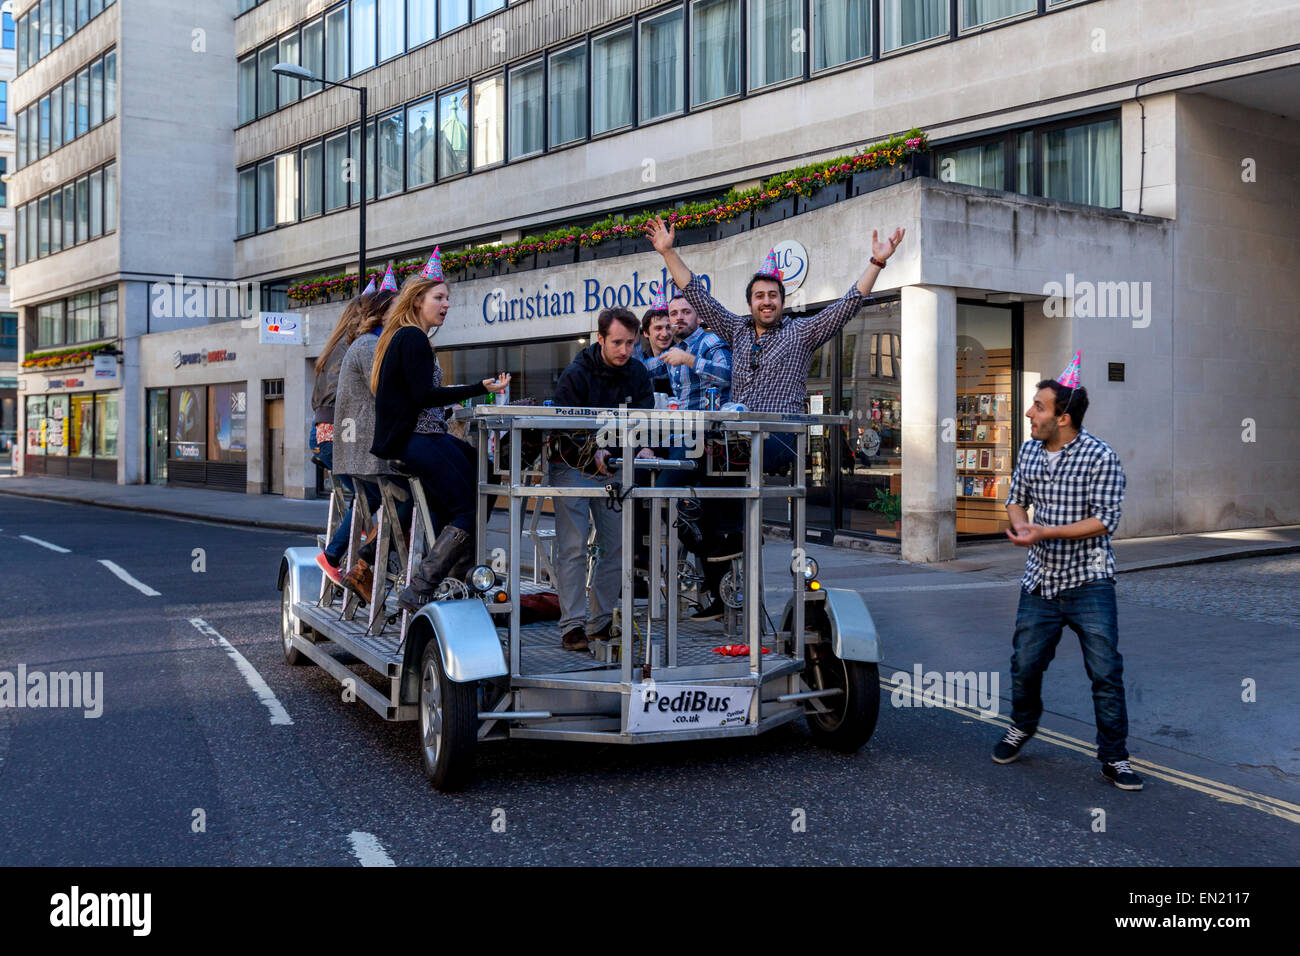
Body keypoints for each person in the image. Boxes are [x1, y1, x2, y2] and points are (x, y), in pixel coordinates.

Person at [993, 352, 1141, 792]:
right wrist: (1022, 525)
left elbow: (1105, 520)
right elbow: (1016, 497)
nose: (1029, 413)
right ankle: (1023, 726)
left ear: (1063, 417)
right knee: (1024, 665)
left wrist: (1044, 532)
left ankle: (1115, 758)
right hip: (1039, 582)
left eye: (1038, 406)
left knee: (1105, 673)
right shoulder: (1029, 450)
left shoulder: (1100, 456)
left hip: (1089, 582)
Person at [370, 251, 510, 612]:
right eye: (439, 298)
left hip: (425, 435)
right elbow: (422, 396)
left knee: (486, 471)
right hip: (417, 439)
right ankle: (420, 588)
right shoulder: (412, 338)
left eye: (448, 299)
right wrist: (478, 387)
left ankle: (461, 576)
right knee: (467, 509)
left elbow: (416, 396)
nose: (446, 305)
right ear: (418, 300)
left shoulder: (410, 338)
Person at [549, 308, 656, 651]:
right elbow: (562, 426)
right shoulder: (576, 373)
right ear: (600, 339)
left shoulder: (637, 373)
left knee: (620, 546)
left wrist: (642, 447)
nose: (625, 350)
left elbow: (645, 418)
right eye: (617, 343)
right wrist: (591, 448)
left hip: (614, 466)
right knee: (573, 546)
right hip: (572, 464)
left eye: (630, 343)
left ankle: (600, 620)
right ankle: (573, 626)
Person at [640, 286, 735, 619]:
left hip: (705, 440)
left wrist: (691, 360)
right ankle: (714, 576)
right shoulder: (677, 349)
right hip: (683, 440)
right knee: (674, 503)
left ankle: (715, 557)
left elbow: (729, 376)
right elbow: (643, 371)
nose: (678, 319)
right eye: (674, 314)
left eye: (685, 313)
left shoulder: (707, 343)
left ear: (698, 316)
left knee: (664, 494)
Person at [329, 287, 404, 600]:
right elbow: (387, 393)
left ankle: (355, 564)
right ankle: (359, 565)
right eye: (400, 308)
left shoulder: (369, 343)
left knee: (381, 502)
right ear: (385, 312)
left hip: (361, 450)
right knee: (405, 501)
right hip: (366, 452)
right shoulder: (370, 345)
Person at [312, 291, 368, 584]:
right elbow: (342, 397)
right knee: (370, 495)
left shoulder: (335, 347)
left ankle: (357, 530)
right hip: (337, 434)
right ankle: (333, 554)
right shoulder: (350, 349)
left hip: (325, 433)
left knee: (367, 495)